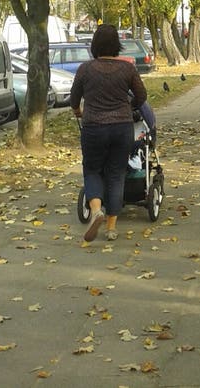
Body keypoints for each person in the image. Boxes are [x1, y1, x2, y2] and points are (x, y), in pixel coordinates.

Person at [70, 24, 148, 242]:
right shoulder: (128, 69)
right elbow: (142, 96)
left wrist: (78, 111)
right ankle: (111, 228)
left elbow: (74, 99)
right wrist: (128, 107)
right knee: (116, 174)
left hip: (93, 127)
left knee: (93, 170)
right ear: (117, 45)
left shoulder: (85, 69)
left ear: (94, 45)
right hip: (122, 128)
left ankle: (96, 211)